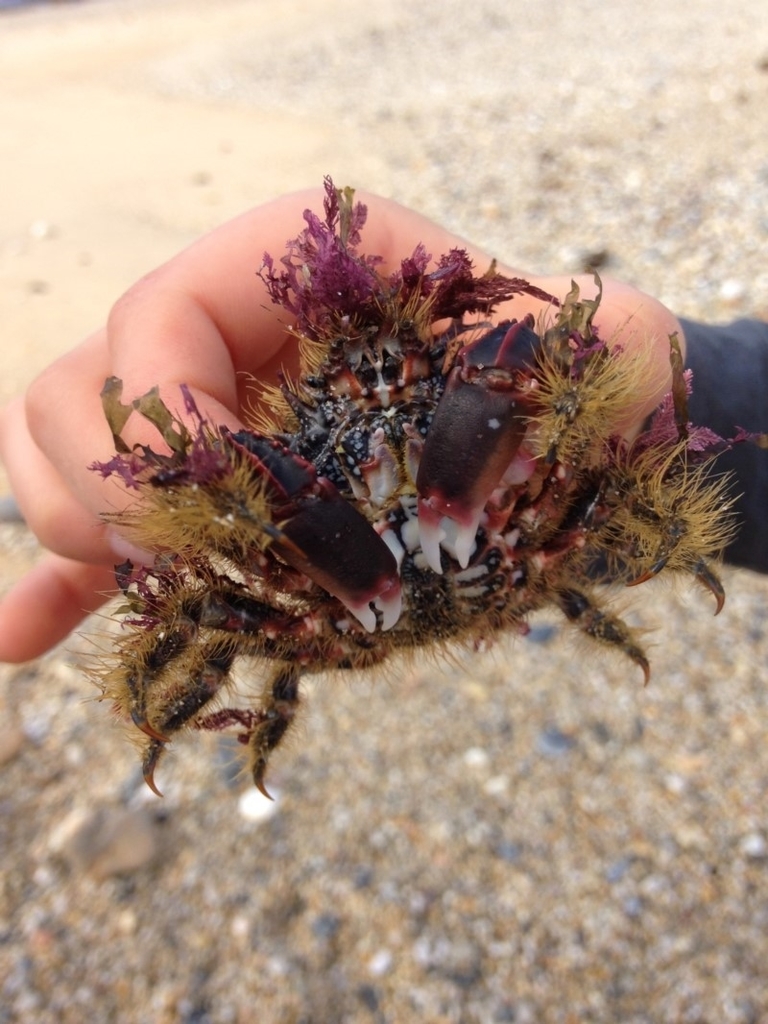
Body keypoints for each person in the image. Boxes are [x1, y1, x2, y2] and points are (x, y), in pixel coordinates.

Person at [0, 187, 765, 664]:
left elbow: (612, 471)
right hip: (360, 595)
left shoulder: (516, 461)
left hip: (502, 543)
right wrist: (187, 531)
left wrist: (637, 386)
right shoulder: (291, 554)